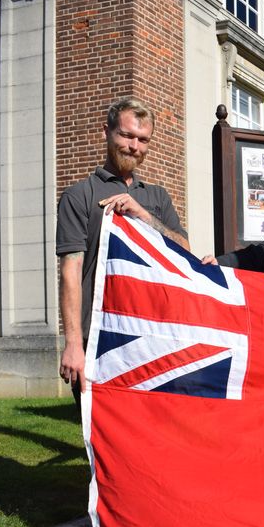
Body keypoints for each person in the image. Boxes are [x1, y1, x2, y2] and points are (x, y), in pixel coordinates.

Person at [56, 97, 190, 405]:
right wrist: (73, 343)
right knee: (102, 437)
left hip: (154, 334)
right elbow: (71, 272)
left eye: (143, 140)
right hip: (100, 337)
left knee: (154, 436)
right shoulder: (79, 196)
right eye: (126, 135)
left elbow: (184, 251)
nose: (134, 146)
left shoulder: (157, 197)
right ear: (106, 132)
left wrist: (142, 214)